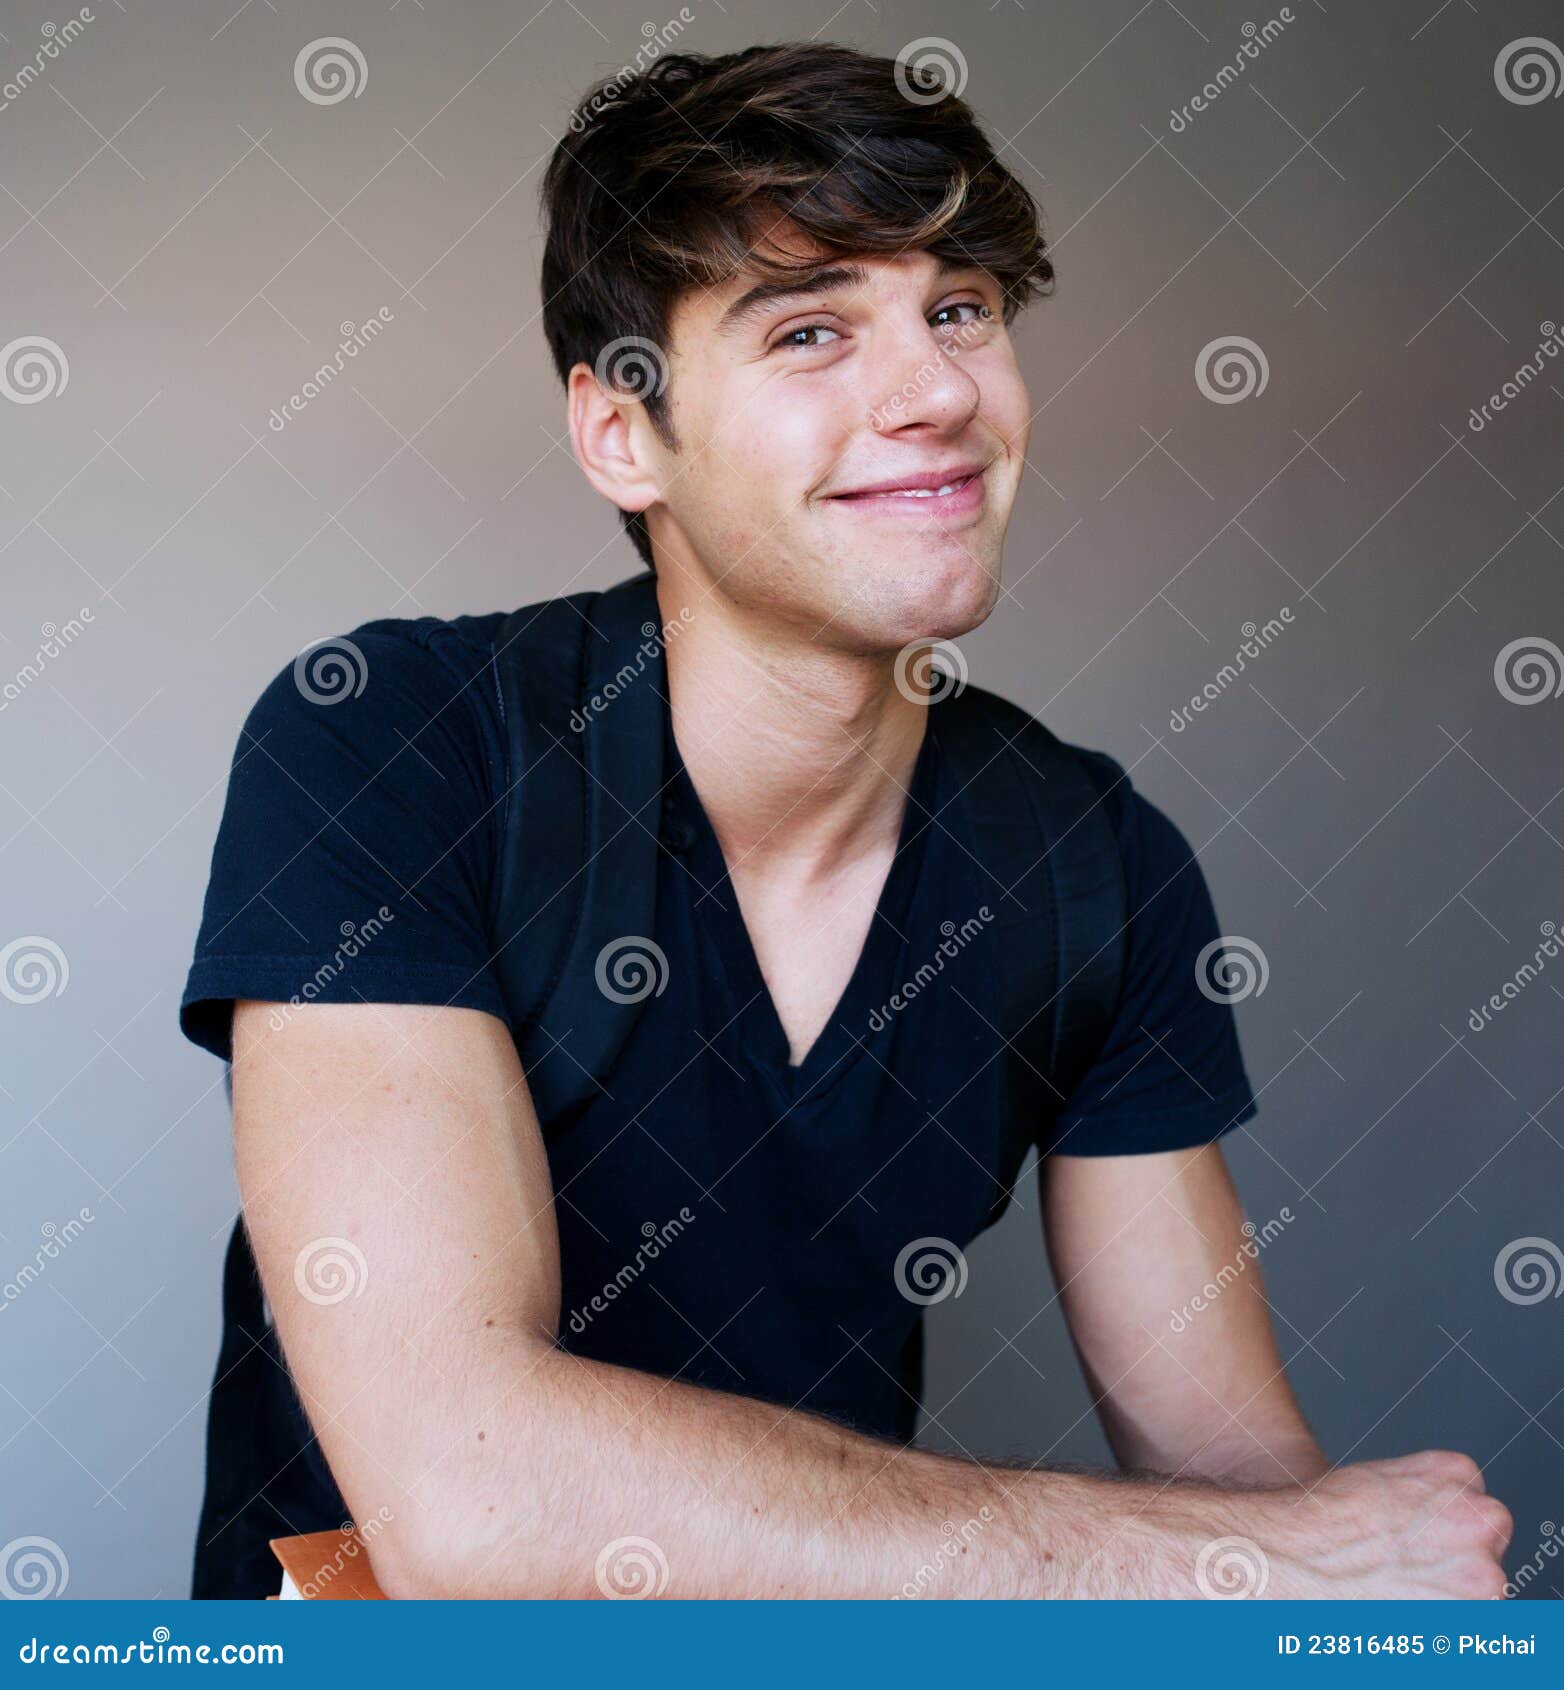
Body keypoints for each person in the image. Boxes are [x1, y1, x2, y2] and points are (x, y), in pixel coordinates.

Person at [179, 41, 1510, 1599]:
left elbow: (1251, 1506)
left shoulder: (1088, 856)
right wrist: (1221, 1556)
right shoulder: (393, 742)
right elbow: (467, 1494)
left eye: (959, 311)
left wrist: (1357, 1583)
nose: (939, 390)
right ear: (623, 431)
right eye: (811, 331)